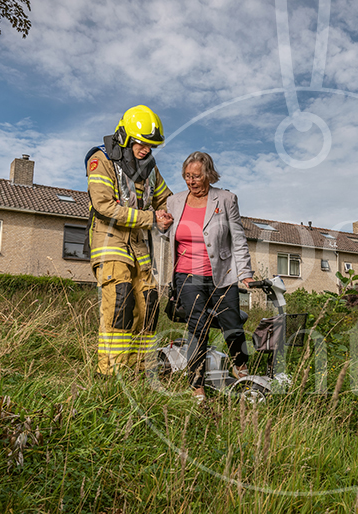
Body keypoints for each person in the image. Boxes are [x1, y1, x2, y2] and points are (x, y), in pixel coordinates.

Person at [86, 105, 174, 377]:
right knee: (120, 305)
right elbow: (104, 207)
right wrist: (151, 218)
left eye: (150, 145)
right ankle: (112, 375)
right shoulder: (101, 161)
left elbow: (165, 201)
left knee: (149, 305)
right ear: (124, 136)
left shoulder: (149, 168)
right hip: (110, 244)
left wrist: (183, 210)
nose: (146, 149)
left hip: (139, 248)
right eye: (141, 143)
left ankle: (141, 371)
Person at [165, 151, 254, 401]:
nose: (191, 181)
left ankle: (240, 367)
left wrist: (245, 272)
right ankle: (197, 384)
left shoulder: (226, 199)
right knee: (198, 327)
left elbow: (238, 239)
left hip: (222, 274)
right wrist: (160, 227)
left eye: (197, 176)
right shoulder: (175, 201)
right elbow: (169, 235)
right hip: (187, 274)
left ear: (209, 175)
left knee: (233, 324)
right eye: (187, 176)